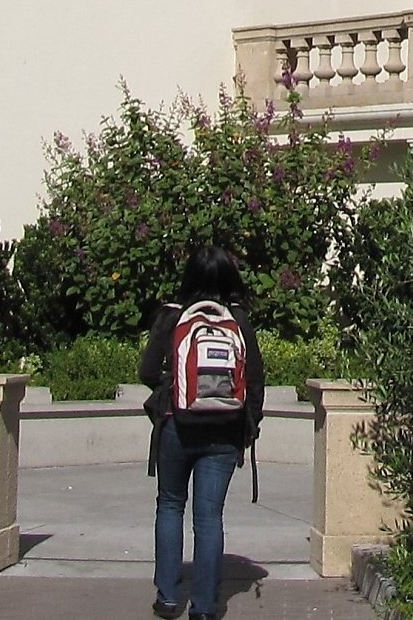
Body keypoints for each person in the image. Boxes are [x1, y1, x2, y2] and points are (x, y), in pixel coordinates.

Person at [140, 245, 265, 620]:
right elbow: (256, 380)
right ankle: (206, 607)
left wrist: (174, 387)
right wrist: (250, 426)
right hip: (224, 433)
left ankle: (167, 597)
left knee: (171, 504)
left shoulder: (172, 317)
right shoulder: (238, 321)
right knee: (210, 517)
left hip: (176, 427)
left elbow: (147, 372)